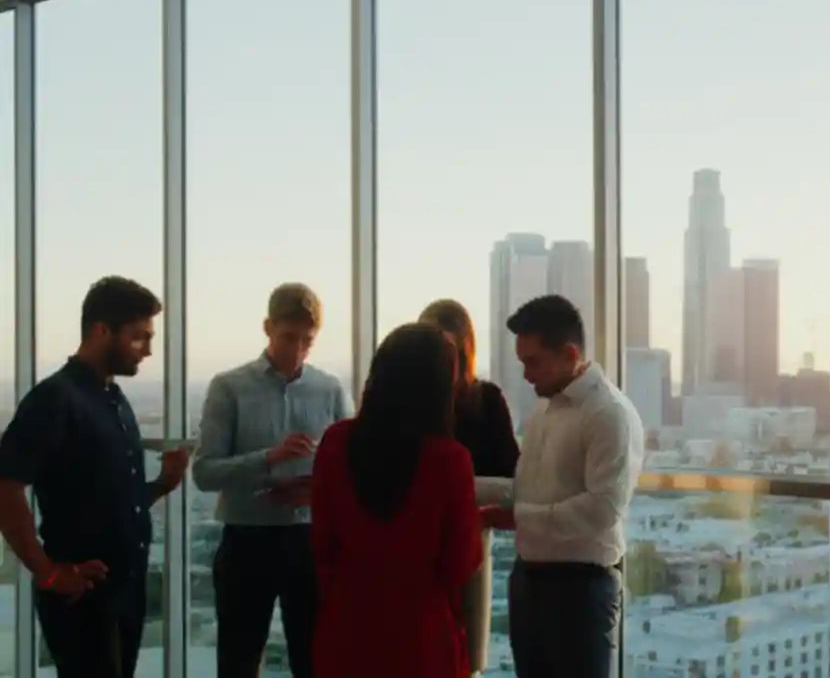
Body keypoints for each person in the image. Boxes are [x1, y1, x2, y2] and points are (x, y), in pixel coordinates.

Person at [0, 276, 188, 678]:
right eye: (139, 337)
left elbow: (107, 499)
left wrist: (160, 486)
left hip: (123, 593)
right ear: (102, 330)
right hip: (81, 596)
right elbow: (5, 485)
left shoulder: (113, 400)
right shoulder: (55, 398)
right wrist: (47, 572)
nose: (149, 350)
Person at [191, 283, 354, 678]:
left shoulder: (330, 390)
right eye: (288, 337)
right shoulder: (228, 387)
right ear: (267, 328)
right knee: (239, 661)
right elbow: (204, 472)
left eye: (307, 341)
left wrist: (312, 489)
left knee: (316, 661)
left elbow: (352, 474)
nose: (296, 350)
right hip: (247, 542)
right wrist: (271, 457)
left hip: (309, 542)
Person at [310, 323, 482, 678]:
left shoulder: (335, 442)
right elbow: (460, 563)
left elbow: (322, 544)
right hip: (423, 638)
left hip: (347, 629)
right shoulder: (450, 460)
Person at [499, 295, 645, 678]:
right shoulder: (545, 409)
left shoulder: (608, 414)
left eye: (534, 362)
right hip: (529, 581)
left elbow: (602, 509)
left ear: (568, 354)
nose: (527, 375)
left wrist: (518, 518)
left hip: (580, 591)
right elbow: (525, 488)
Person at [419, 299, 519, 478]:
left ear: (463, 355)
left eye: (446, 352)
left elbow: (509, 475)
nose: (436, 361)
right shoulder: (408, 402)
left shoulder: (487, 400)